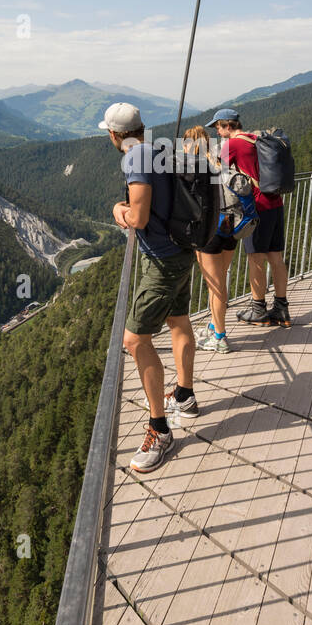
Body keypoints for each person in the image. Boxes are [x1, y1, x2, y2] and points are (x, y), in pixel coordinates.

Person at [101, 103, 198, 472]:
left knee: (135, 340)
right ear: (142, 127)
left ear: (113, 135)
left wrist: (117, 210)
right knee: (179, 321)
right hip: (182, 249)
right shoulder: (161, 148)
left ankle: (160, 430)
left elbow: (137, 217)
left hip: (162, 259)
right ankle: (185, 396)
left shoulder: (135, 158)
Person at [206, 109, 290, 327]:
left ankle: (258, 309)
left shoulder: (232, 144)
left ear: (227, 126)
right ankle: (281, 309)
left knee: (255, 258)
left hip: (257, 207)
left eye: (217, 127)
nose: (217, 131)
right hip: (275, 202)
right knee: (276, 257)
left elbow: (218, 173)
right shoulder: (256, 138)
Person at [183, 125, 235, 354]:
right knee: (220, 280)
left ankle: (220, 338)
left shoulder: (192, 168)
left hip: (208, 232)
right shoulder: (220, 162)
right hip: (230, 226)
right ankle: (214, 325)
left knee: (214, 286)